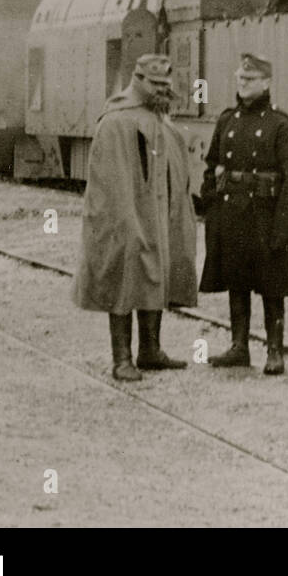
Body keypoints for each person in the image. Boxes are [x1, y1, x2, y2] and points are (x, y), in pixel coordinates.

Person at [72, 54, 197, 381]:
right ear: (137, 80)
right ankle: (122, 358)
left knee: (155, 275)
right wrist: (127, 224)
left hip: (158, 216)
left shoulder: (160, 120)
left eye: (166, 85)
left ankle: (150, 350)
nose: (162, 91)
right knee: (125, 279)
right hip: (126, 218)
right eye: (155, 84)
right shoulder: (117, 119)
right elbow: (109, 182)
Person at [198, 53, 288, 375]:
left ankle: (275, 351)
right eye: (240, 79)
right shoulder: (227, 120)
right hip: (232, 214)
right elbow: (211, 166)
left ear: (267, 83)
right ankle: (239, 347)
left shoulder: (280, 125)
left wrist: (283, 227)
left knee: (272, 286)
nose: (243, 83)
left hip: (265, 217)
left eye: (250, 79)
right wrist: (211, 207)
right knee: (236, 280)